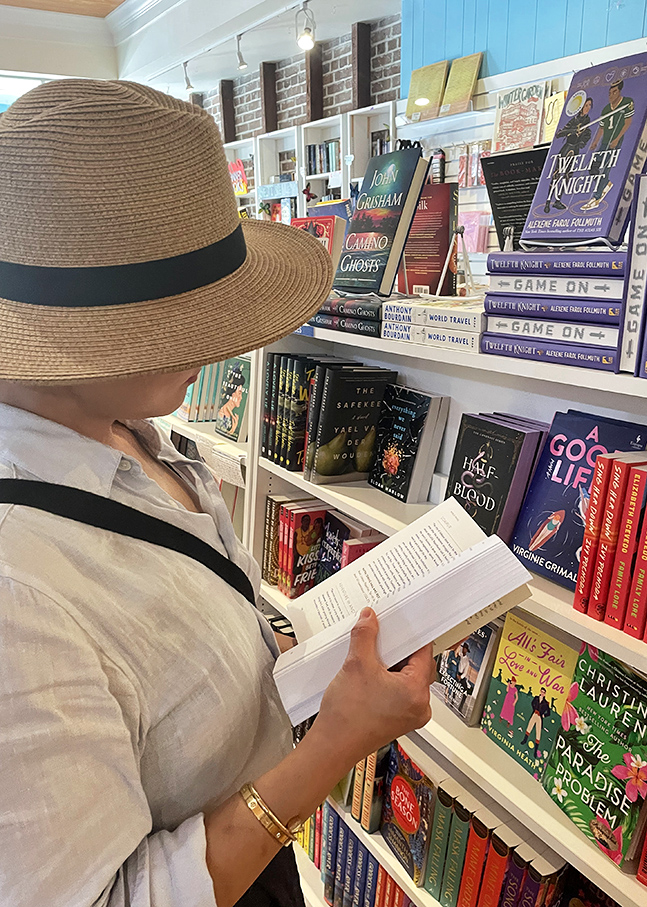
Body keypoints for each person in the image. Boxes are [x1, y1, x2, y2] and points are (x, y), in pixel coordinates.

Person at [0, 80, 435, 907]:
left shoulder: (125, 425)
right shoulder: (16, 588)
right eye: (181, 316)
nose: (222, 338)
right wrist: (334, 746)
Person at [582, 80, 634, 211]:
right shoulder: (606, 109)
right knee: (594, 167)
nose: (611, 95)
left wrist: (617, 139)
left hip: (615, 142)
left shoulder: (626, 103)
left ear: (619, 91)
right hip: (605, 142)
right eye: (610, 92)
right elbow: (602, 127)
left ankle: (596, 197)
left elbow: (628, 122)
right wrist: (595, 142)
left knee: (605, 168)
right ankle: (605, 184)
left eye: (614, 92)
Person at [543, 97, 592, 213]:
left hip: (575, 150)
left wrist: (582, 141)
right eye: (586, 105)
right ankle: (548, 201)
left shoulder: (587, 121)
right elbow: (559, 134)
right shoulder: (573, 121)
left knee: (568, 176)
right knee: (556, 174)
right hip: (567, 148)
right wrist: (573, 130)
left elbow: (586, 135)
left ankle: (558, 200)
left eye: (590, 105)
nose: (588, 108)